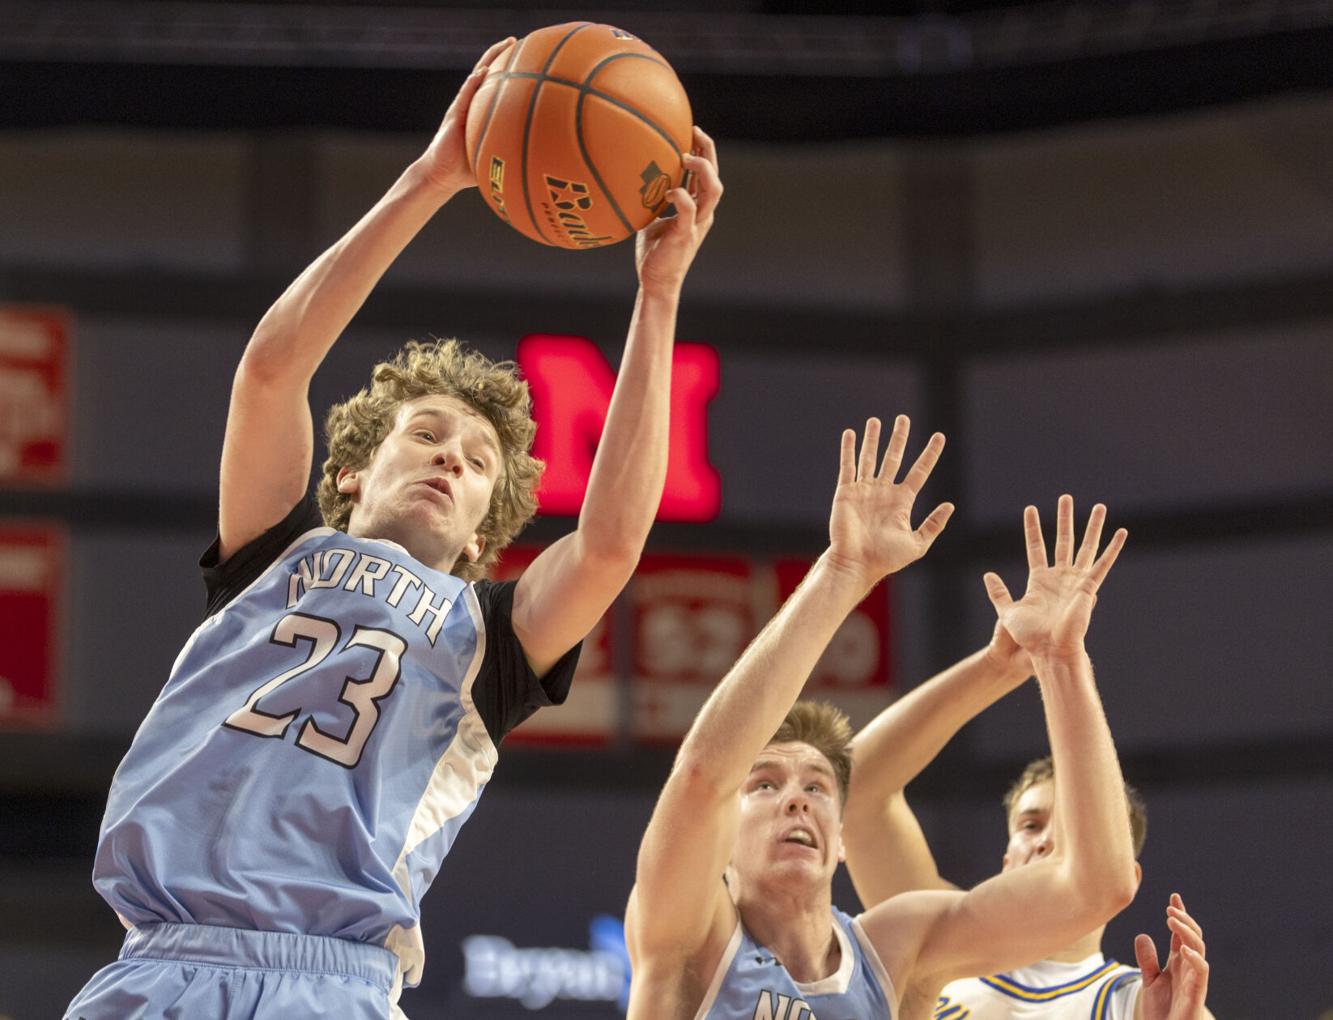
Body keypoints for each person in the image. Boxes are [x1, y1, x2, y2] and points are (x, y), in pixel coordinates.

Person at [66, 38, 723, 1020]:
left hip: (330, 984)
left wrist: (658, 293)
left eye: (476, 461)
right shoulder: (271, 554)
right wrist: (431, 178)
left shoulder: (487, 638)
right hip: (158, 961)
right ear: (347, 471)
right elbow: (271, 374)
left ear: (477, 538)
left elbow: (609, 546)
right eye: (426, 434)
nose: (451, 457)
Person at [624, 418, 1139, 1019]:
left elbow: (1099, 889)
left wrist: (1059, 659)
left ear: (841, 838)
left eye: (816, 787)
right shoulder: (690, 937)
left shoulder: (896, 950)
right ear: (720, 838)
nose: (797, 801)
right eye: (764, 785)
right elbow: (702, 776)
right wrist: (842, 574)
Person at [842, 496, 1212, 1020]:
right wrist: (998, 665)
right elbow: (856, 792)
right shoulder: (937, 939)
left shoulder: (1143, 1001)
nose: (1047, 840)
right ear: (1006, 859)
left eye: (1073, 827)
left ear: (1127, 875)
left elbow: (1090, 877)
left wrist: (1064, 659)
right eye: (1031, 822)